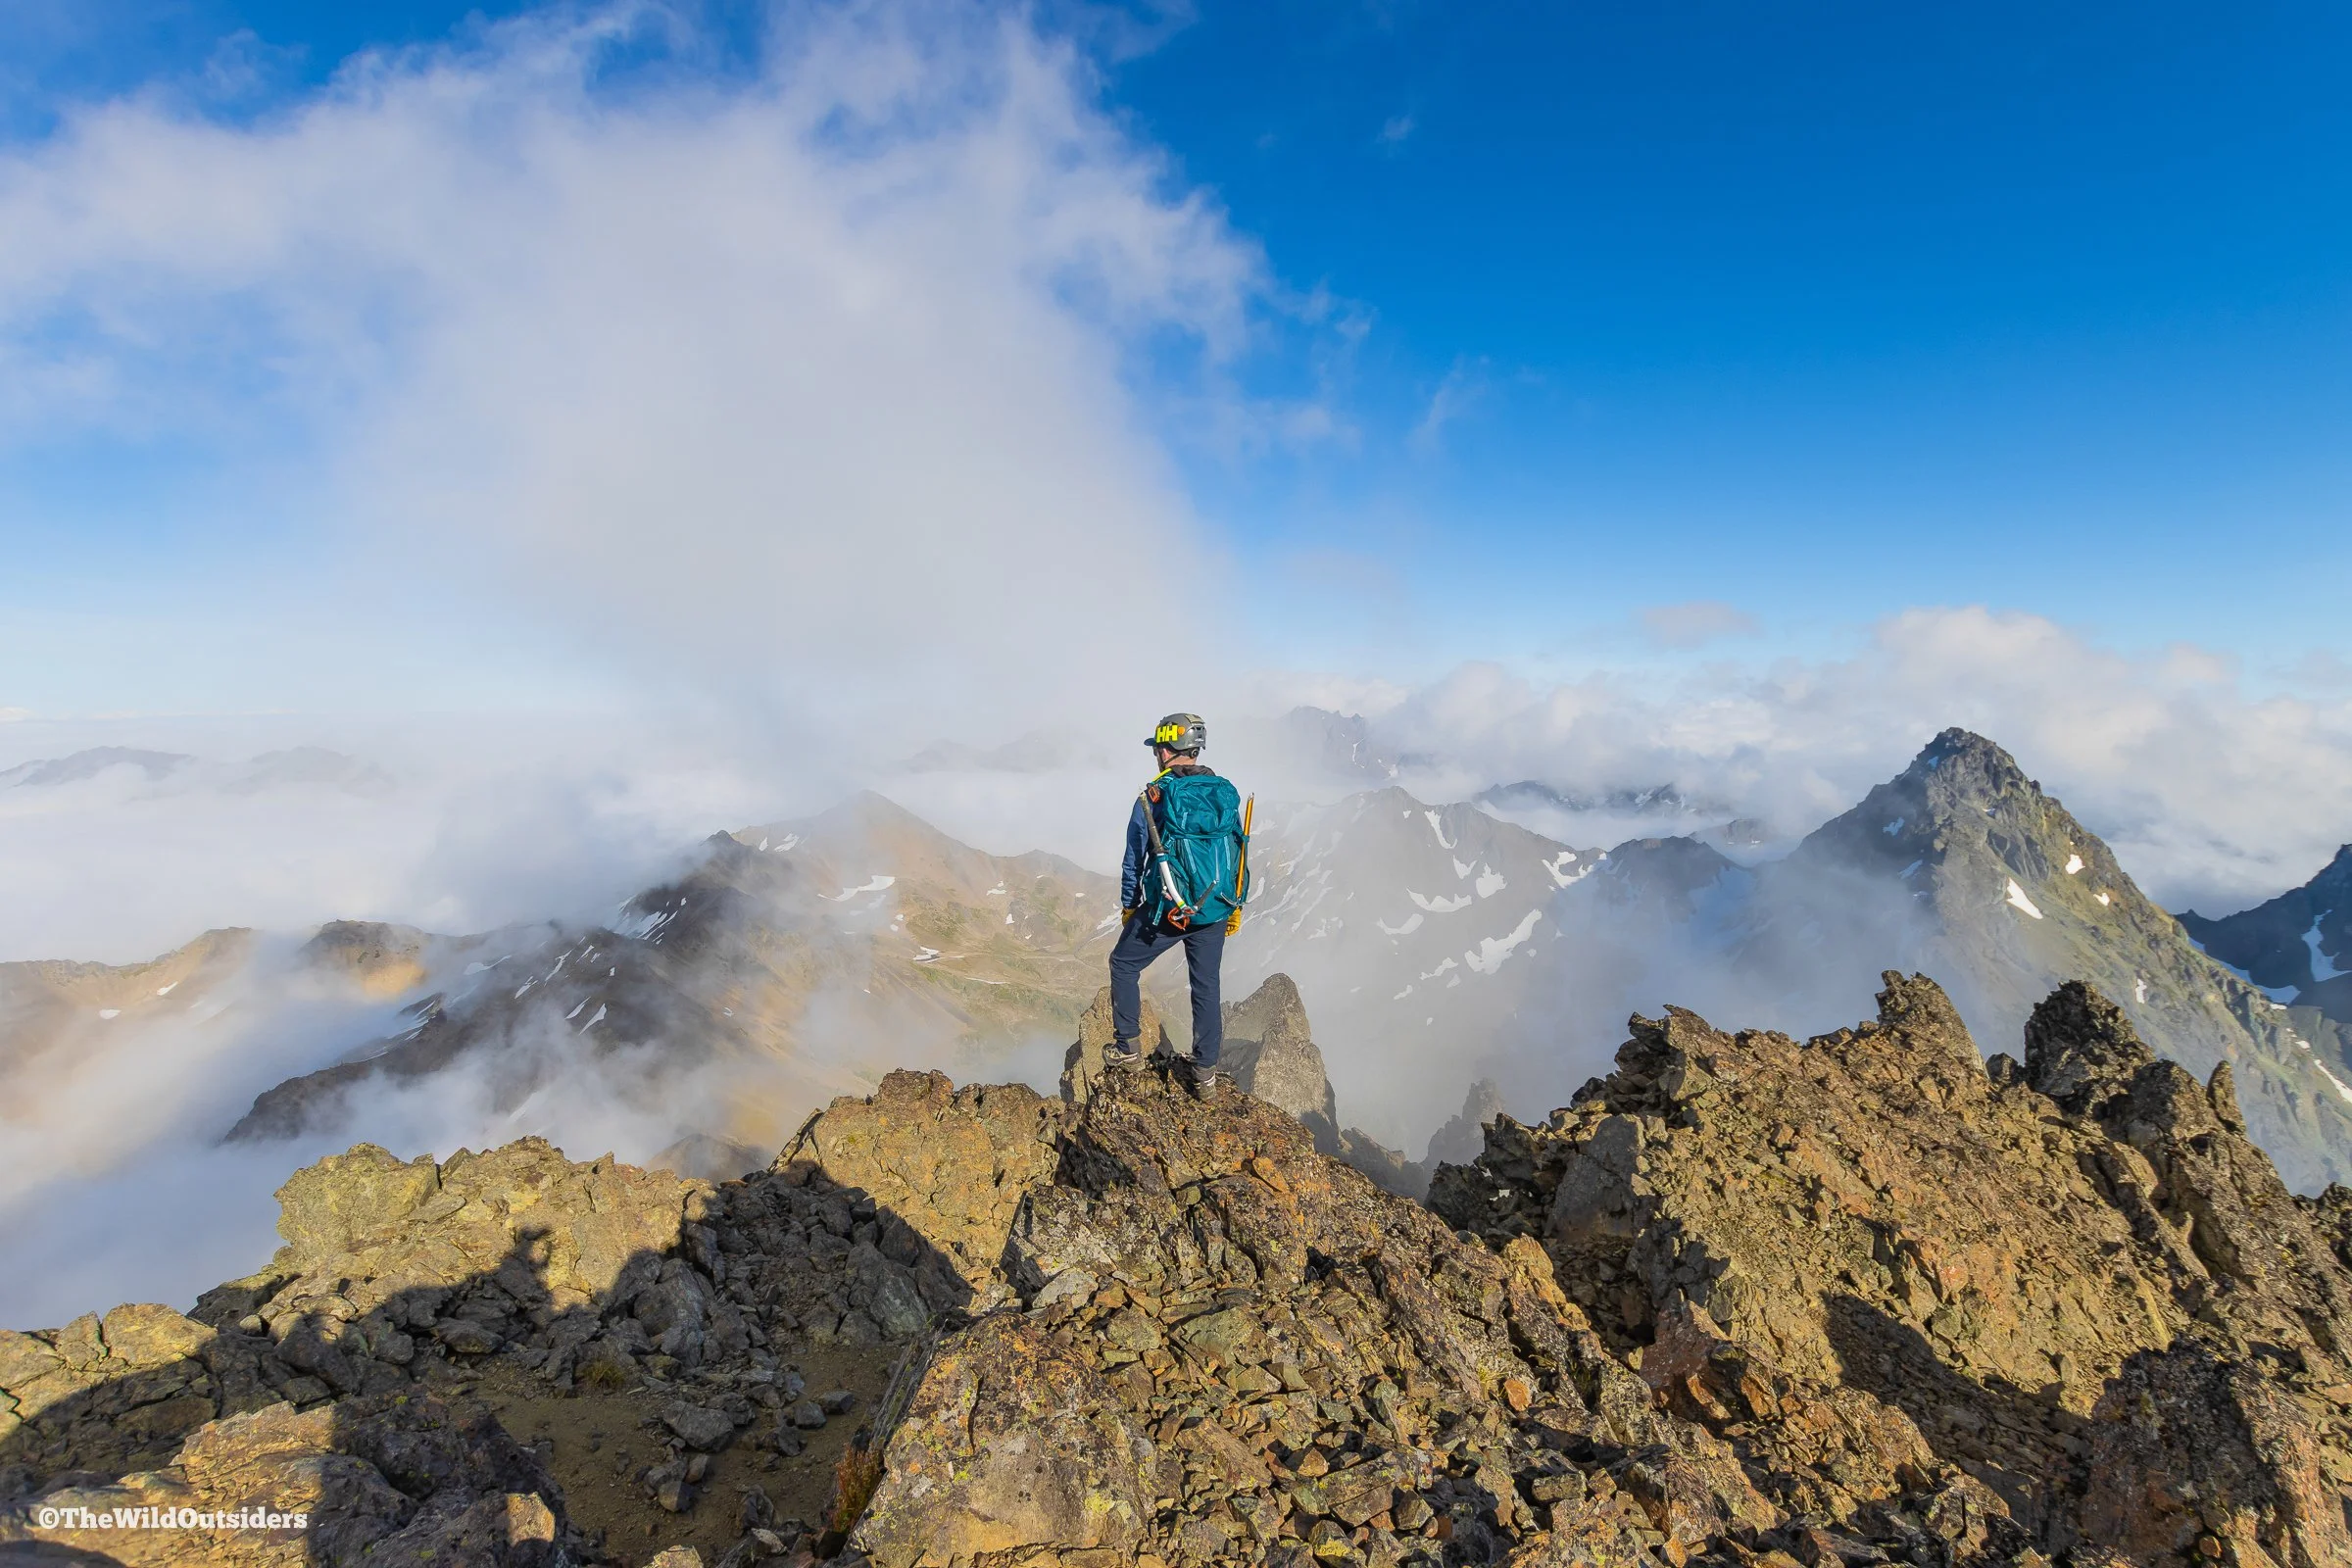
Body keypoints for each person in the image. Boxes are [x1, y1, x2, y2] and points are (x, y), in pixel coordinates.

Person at [1108, 711, 1251, 1100]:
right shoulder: (1221, 792)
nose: (1156, 753)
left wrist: (1130, 907)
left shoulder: (1153, 797)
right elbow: (1237, 851)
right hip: (1215, 908)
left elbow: (1133, 859)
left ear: (1168, 749)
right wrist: (1234, 905)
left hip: (1169, 911)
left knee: (1123, 964)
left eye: (1158, 747)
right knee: (1206, 985)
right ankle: (1205, 1076)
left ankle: (1128, 1049)